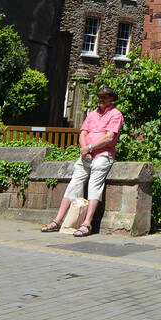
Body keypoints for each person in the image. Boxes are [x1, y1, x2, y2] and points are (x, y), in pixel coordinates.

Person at [41, 86, 123, 237]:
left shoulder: (115, 114)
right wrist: (84, 149)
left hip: (103, 154)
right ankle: (57, 221)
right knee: (74, 184)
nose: (101, 98)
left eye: (105, 96)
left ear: (112, 98)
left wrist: (90, 147)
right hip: (86, 154)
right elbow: (83, 133)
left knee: (94, 185)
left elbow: (109, 137)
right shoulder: (92, 114)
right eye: (100, 96)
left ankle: (87, 224)